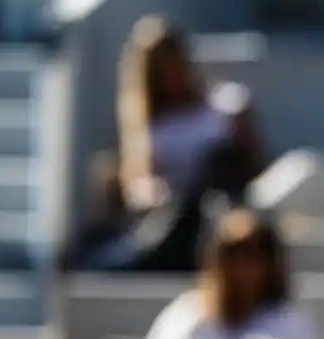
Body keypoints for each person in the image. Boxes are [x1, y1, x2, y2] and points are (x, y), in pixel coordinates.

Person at [68, 15, 267, 272]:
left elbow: (253, 164)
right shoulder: (147, 125)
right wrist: (157, 193)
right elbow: (137, 181)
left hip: (215, 210)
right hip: (165, 217)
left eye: (173, 64)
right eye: (159, 71)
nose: (169, 76)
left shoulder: (227, 105)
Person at [133, 208, 317, 339]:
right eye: (233, 257)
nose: (242, 269)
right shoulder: (188, 314)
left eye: (253, 258)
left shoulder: (291, 321)